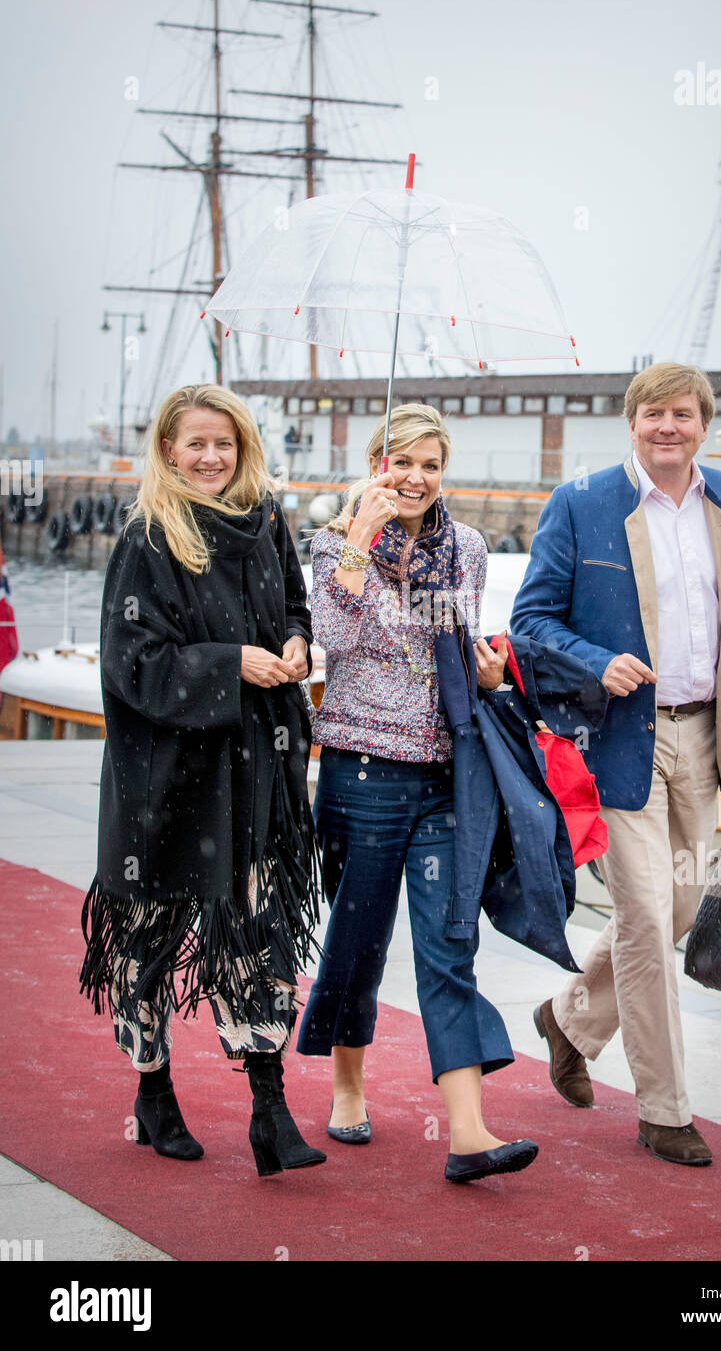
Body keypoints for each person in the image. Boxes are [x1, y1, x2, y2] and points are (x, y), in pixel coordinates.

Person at [511, 362, 721, 1166]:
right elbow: (529, 622)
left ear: (704, 424)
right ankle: (665, 1108)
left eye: (683, 414)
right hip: (619, 744)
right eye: (653, 414)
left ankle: (568, 1020)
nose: (668, 427)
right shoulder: (583, 503)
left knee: (680, 907)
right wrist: (596, 660)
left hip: (707, 739)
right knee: (641, 918)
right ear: (631, 422)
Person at [80, 383, 326, 1177]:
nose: (211, 457)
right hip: (168, 781)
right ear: (168, 450)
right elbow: (131, 664)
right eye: (196, 444)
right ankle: (152, 1090)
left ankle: (270, 1109)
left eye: (225, 443)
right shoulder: (148, 538)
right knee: (147, 942)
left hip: (254, 774)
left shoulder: (265, 525)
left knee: (256, 937)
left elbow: (296, 604)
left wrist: (291, 644)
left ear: (243, 447)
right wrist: (231, 667)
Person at [295, 404, 538, 1183]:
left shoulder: (465, 546)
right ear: (377, 463)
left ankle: (466, 1133)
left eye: (430, 463)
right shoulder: (337, 539)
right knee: (360, 939)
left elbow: (457, 639)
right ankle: (346, 1084)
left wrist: (488, 668)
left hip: (442, 772)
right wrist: (359, 545)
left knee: (449, 945)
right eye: (402, 461)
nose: (416, 477)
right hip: (361, 769)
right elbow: (333, 636)